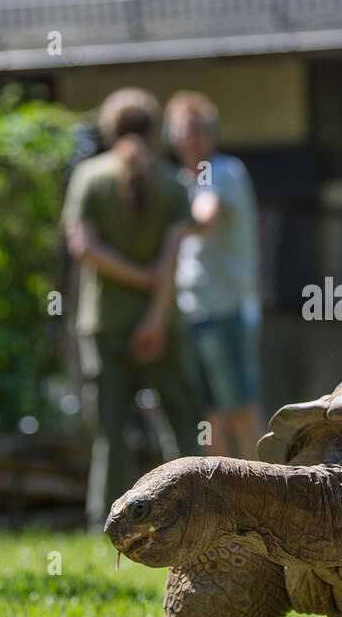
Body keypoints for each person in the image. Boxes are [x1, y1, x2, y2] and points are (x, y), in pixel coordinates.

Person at [62, 87, 201, 529]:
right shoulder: (172, 182)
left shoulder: (88, 177)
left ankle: (103, 522)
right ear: (154, 128)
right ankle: (195, 515)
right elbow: (172, 260)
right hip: (164, 325)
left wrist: (130, 277)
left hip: (103, 322)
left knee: (110, 430)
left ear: (108, 128)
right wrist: (155, 317)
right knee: (180, 424)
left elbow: (83, 246)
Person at [164, 91, 266, 459]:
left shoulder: (224, 171)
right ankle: (221, 505)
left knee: (240, 409)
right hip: (193, 312)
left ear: (210, 134)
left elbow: (205, 217)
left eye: (196, 130)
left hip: (227, 310)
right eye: (181, 131)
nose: (189, 139)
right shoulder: (180, 181)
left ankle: (268, 500)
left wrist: (164, 224)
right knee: (208, 417)